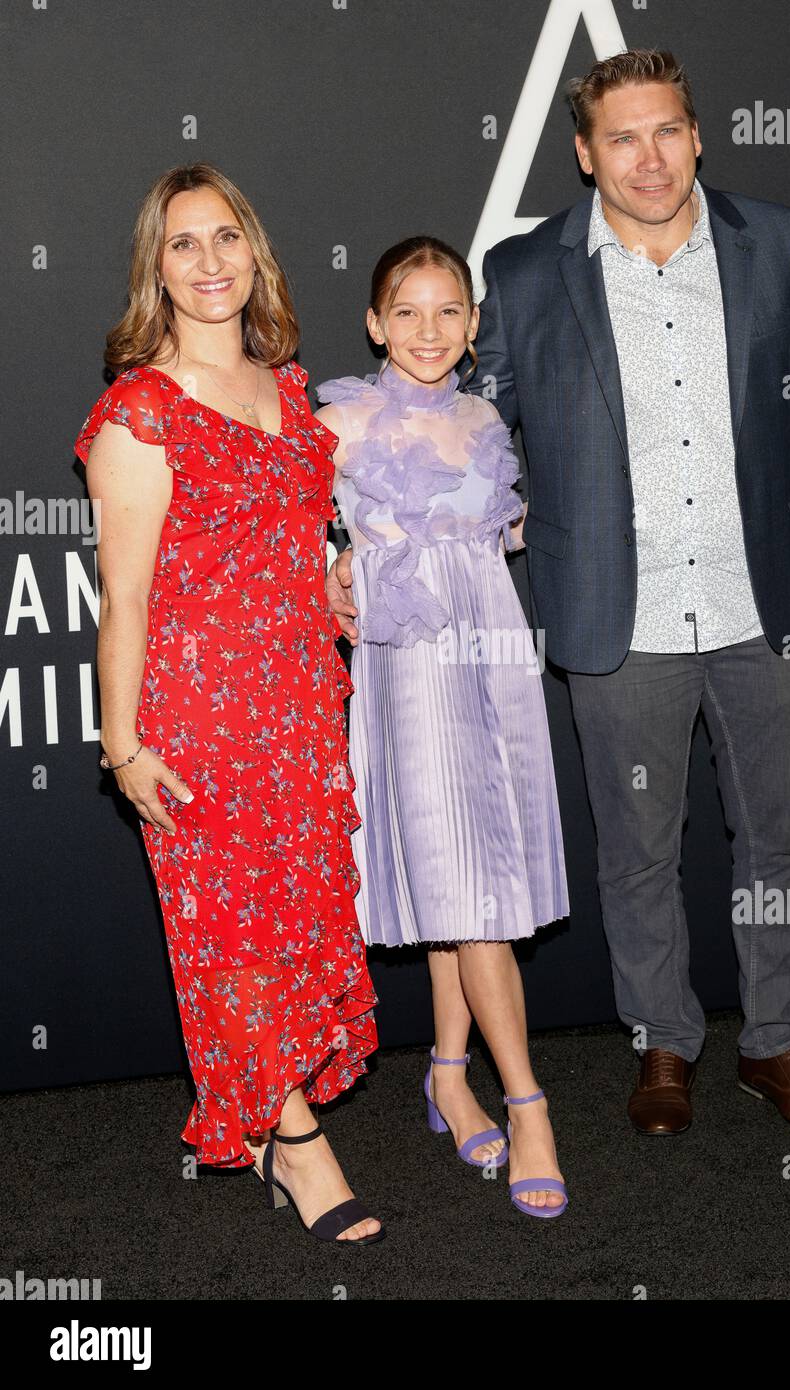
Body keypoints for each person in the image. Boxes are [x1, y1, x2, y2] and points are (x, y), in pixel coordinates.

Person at [330, 49, 790, 1138]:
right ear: (583, 153)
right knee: (637, 846)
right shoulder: (529, 271)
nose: (648, 158)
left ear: (696, 135)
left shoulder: (780, 246)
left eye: (667, 131)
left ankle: (774, 1040)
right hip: (612, 610)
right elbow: (453, 419)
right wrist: (342, 540)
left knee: (780, 839)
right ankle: (662, 1044)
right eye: (621, 139)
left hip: (763, 600)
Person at [74, 162, 383, 1244]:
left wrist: (331, 581)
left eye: (225, 239)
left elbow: (295, 536)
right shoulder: (140, 411)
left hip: (302, 701)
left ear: (255, 250)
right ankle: (297, 1147)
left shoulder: (285, 384)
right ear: (154, 269)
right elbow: (125, 596)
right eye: (182, 244)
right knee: (232, 939)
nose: (209, 263)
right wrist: (122, 746)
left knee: (298, 922)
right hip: (199, 715)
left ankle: (252, 1111)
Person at [315, 237, 570, 1216]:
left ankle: (446, 1072)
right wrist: (330, 569)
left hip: (493, 667)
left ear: (471, 324)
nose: (429, 330)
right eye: (407, 311)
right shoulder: (337, 421)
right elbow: (280, 527)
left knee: (462, 884)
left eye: (448, 310)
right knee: (470, 897)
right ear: (376, 323)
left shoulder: (482, 419)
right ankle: (527, 1104)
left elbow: (497, 546)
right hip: (408, 677)